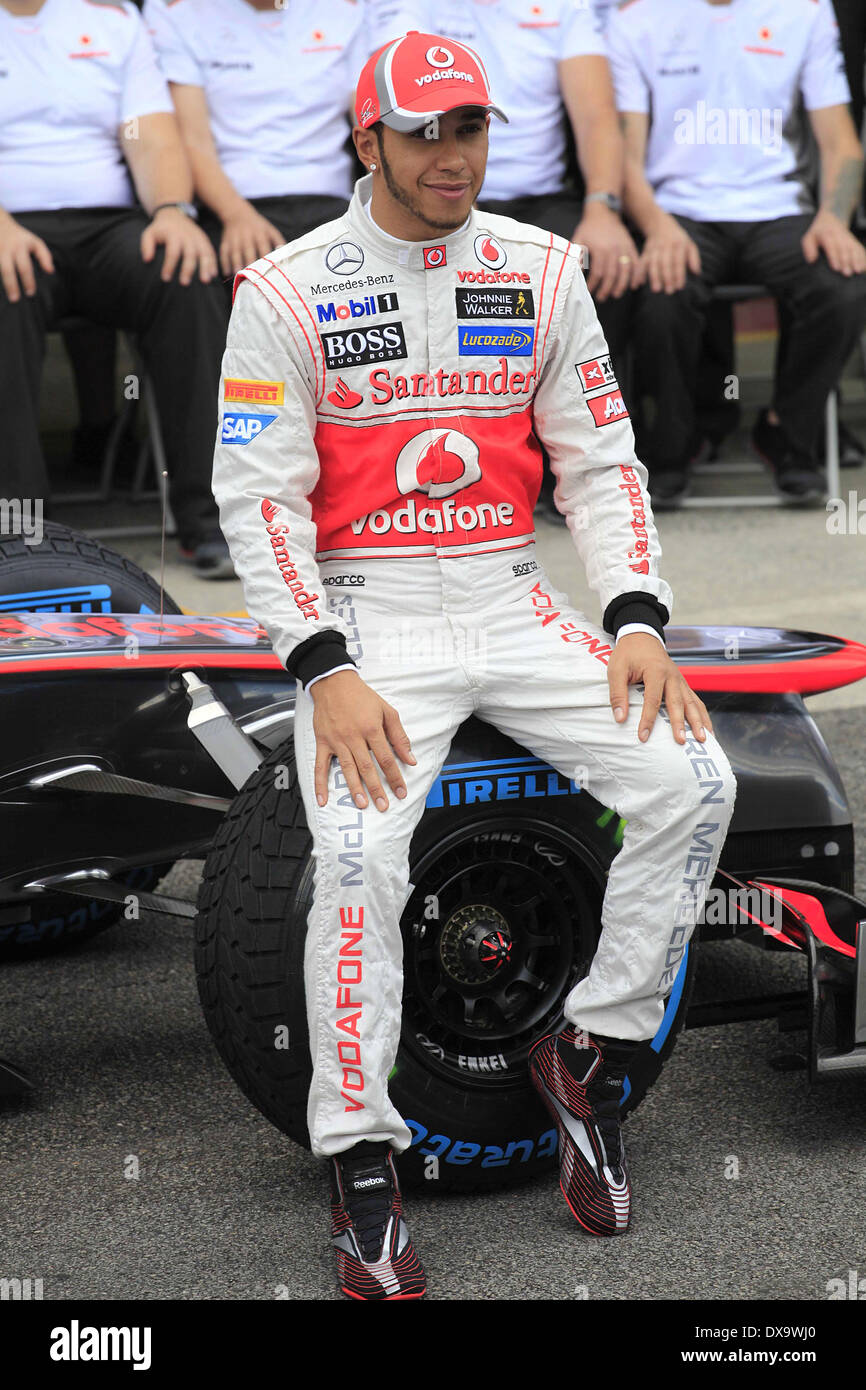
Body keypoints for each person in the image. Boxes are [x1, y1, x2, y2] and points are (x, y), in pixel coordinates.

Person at [212, 30, 737, 1300]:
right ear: (368, 141)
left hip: (511, 594)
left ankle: (591, 1059)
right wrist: (322, 663)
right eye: (424, 132)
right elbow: (256, 497)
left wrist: (634, 616)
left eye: (471, 128)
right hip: (367, 617)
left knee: (696, 777)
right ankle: (362, 1166)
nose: (453, 155)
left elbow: (601, 465)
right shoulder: (283, 289)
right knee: (351, 855)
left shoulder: (544, 268)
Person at [363, 1, 642, 523]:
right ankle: (463, 463)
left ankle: (567, 467)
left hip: (542, 199)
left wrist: (603, 207)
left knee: (607, 266)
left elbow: (596, 115)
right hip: (434, 193)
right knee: (430, 295)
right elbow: (381, 117)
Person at [0, 0, 231, 576]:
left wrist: (174, 211)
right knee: (3, 290)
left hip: (108, 223)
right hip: (8, 223)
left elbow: (152, 135)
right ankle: (22, 538)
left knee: (185, 271)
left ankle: (208, 522)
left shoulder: (111, 20)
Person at [608, 0, 866, 507]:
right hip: (679, 211)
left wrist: (833, 218)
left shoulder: (803, 13)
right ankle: (671, 449)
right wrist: (656, 227)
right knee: (661, 296)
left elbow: (841, 143)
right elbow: (625, 154)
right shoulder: (635, 19)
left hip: (778, 209)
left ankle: (788, 435)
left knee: (843, 286)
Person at [143, 0, 367, 283]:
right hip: (231, 206)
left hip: (335, 204)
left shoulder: (347, 8)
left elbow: (369, 123)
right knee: (189, 270)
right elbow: (192, 140)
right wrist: (236, 216)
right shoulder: (174, 9)